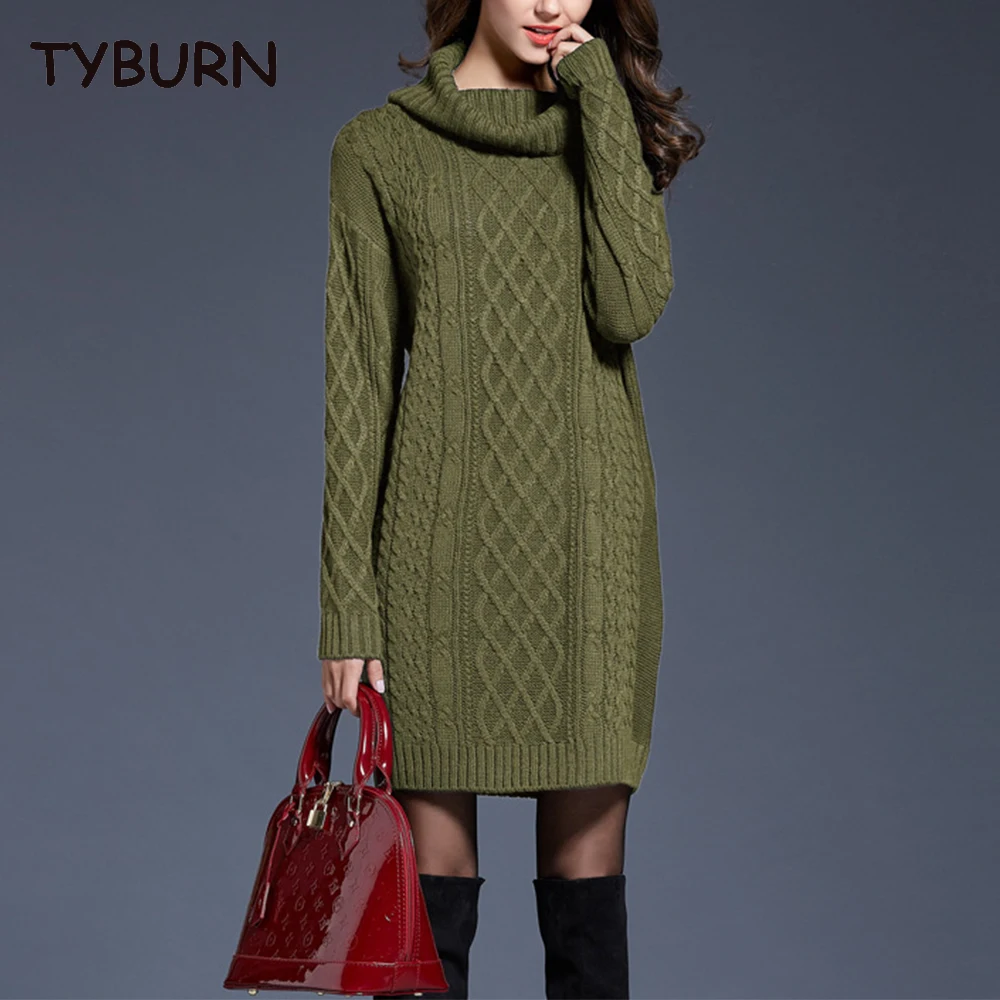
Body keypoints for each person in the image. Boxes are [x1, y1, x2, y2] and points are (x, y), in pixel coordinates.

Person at [317, 1, 703, 996]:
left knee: (588, 931)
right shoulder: (378, 149)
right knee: (424, 934)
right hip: (436, 565)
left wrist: (601, 102)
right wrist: (347, 602)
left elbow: (631, 305)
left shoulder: (600, 125)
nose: (550, 6)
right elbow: (358, 384)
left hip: (588, 558)